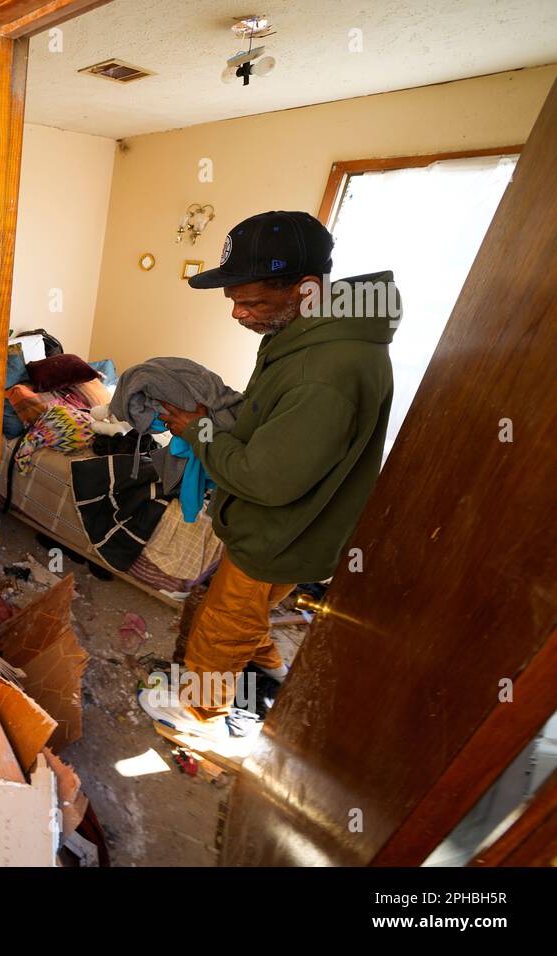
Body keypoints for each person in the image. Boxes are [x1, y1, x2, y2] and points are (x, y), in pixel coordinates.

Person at [144, 210, 397, 738]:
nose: (238, 314)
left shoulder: (324, 370)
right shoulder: (315, 334)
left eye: (251, 301)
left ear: (306, 290)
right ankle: (267, 664)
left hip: (278, 532)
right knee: (252, 606)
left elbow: (263, 478)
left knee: (224, 619)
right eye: (234, 300)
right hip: (302, 528)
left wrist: (200, 431)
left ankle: (198, 714)